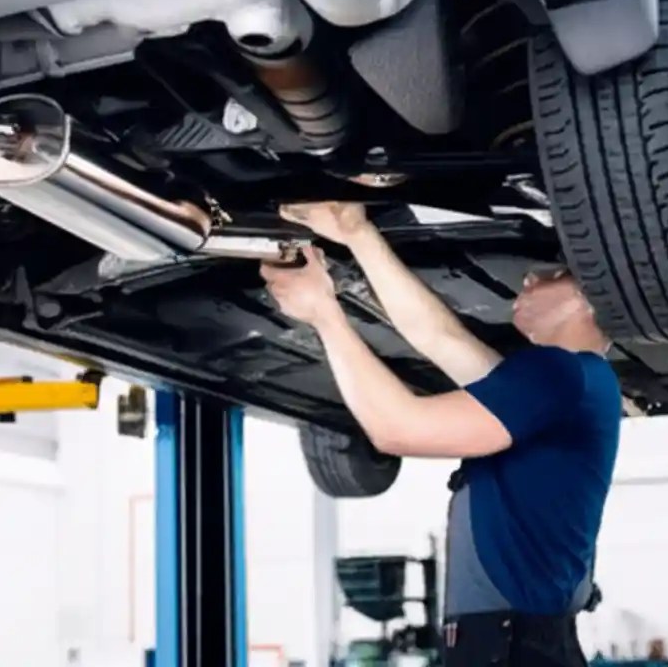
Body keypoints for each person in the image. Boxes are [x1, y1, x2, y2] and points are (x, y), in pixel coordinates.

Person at [261, 202, 621, 667]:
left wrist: (325, 314)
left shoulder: (564, 376)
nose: (529, 279)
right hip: (516, 646)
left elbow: (397, 429)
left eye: (549, 273)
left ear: (587, 298)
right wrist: (357, 232)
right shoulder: (570, 384)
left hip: (512, 650)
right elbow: (438, 338)